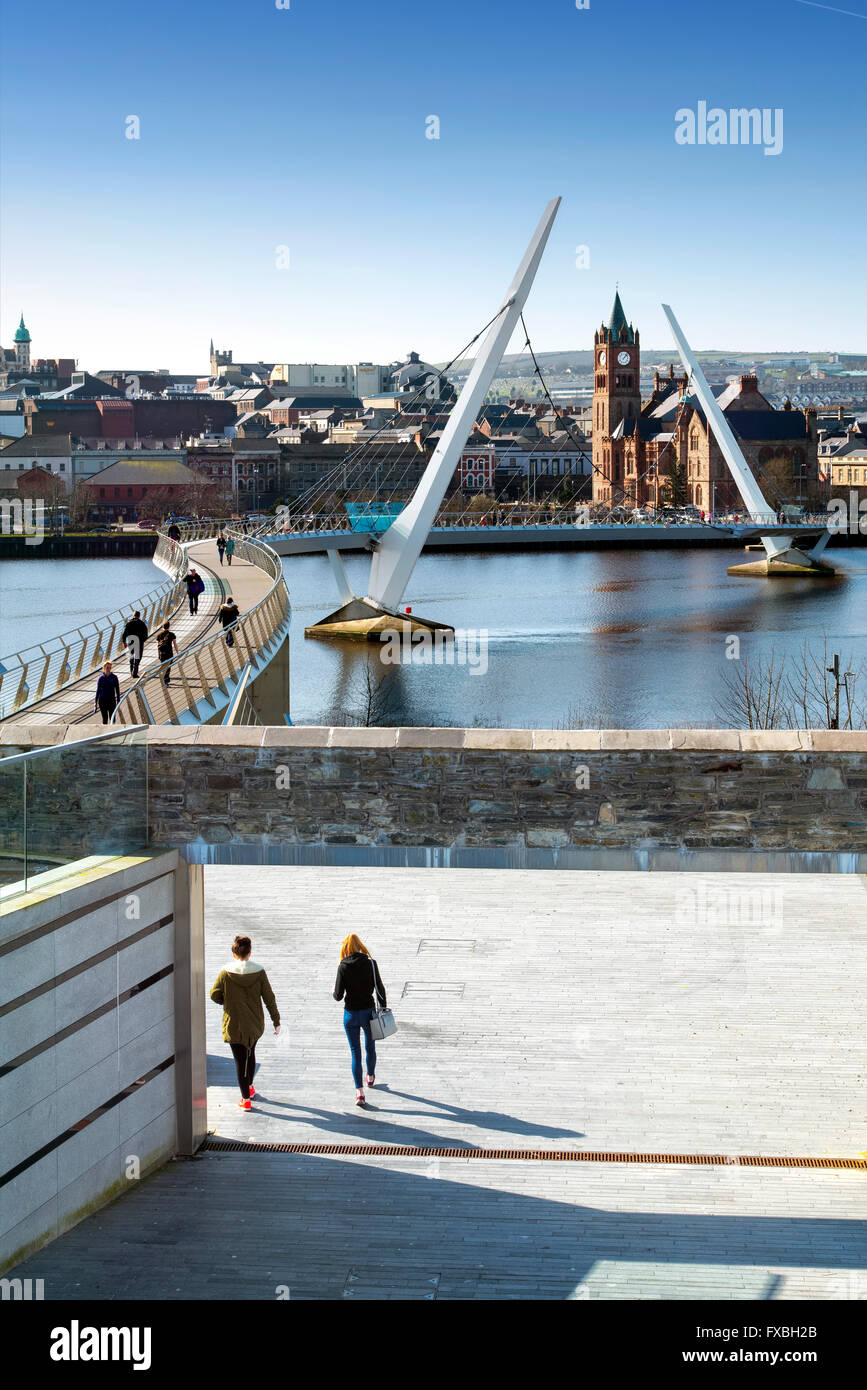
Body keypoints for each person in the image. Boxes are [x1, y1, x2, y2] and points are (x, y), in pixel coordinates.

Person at [210, 934, 280, 1111]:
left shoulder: (226, 973)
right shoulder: (259, 971)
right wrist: (276, 1021)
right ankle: (249, 1087)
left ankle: (245, 1099)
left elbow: (214, 994)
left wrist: (226, 1001)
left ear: (235, 953)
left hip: (234, 1023)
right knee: (250, 1053)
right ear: (250, 953)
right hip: (254, 1023)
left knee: (240, 1060)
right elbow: (269, 998)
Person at [333, 934, 387, 1107]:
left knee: (355, 1051)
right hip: (368, 1012)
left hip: (350, 1014)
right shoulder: (371, 963)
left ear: (346, 949)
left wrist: (333, 991)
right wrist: (383, 1007)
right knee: (370, 1046)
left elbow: (338, 996)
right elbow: (380, 988)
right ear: (360, 946)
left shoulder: (343, 966)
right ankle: (370, 1076)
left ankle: (359, 1092)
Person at [120, 610, 148, 678]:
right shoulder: (142, 623)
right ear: (139, 616)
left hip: (130, 641)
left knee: (131, 656)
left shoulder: (128, 623)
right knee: (138, 657)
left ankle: (131, 670)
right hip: (139, 642)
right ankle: (135, 672)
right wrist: (142, 641)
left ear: (133, 615)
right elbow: (145, 634)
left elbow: (123, 633)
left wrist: (124, 642)